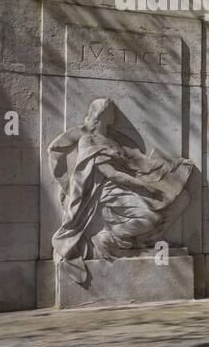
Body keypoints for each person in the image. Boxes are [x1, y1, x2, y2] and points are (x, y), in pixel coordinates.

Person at [48, 98, 194, 284]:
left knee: (182, 198)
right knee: (150, 218)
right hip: (110, 194)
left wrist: (173, 167)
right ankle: (108, 239)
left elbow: (139, 164)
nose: (115, 114)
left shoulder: (114, 141)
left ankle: (146, 239)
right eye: (111, 110)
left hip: (128, 187)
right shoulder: (88, 140)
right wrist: (145, 187)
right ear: (101, 114)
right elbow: (112, 174)